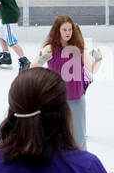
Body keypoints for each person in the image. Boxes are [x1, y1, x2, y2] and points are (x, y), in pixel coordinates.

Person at [39, 16, 100, 149]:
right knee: (55, 138)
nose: (68, 32)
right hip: (56, 101)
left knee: (79, 139)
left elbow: (92, 69)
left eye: (70, 29)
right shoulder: (50, 48)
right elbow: (35, 66)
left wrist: (98, 60)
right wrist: (42, 57)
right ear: (57, 30)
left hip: (76, 99)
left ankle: (81, 166)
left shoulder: (80, 49)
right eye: (64, 29)